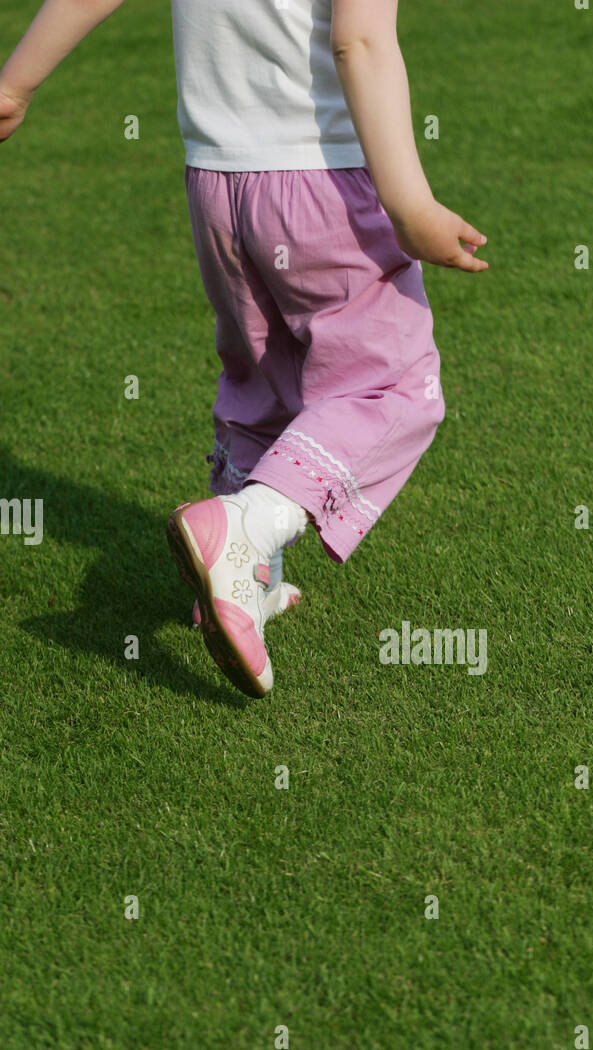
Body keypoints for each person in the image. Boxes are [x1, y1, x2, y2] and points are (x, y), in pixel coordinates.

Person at [0, 0, 488, 696]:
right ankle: (244, 531)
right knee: (393, 387)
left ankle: (244, 584)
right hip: (322, 180)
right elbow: (361, 42)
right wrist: (410, 206)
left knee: (264, 373)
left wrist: (15, 85)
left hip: (216, 184)